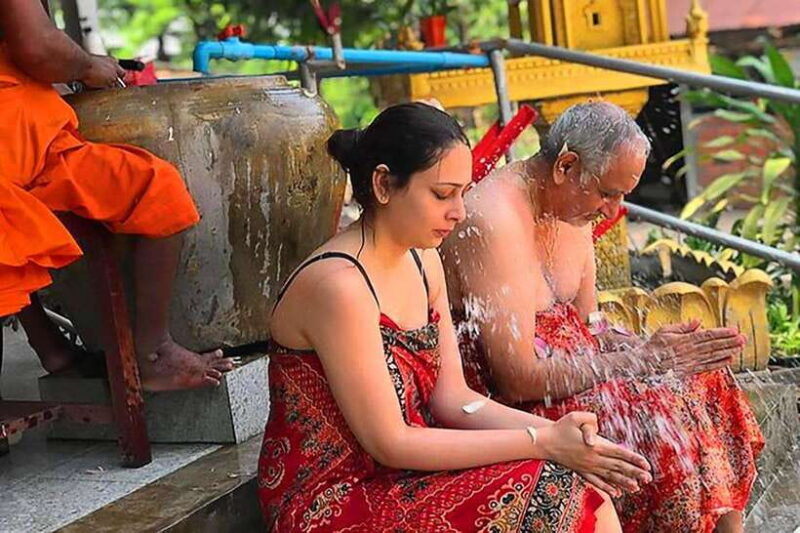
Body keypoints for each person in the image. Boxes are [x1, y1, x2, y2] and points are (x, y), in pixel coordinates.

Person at [257, 102, 655, 532]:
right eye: (443, 194)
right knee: (556, 492)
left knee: (581, 489)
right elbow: (392, 442)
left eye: (463, 193)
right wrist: (543, 442)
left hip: (398, 477)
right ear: (384, 184)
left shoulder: (424, 261)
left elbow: (452, 399)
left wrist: (559, 433)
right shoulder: (340, 286)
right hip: (335, 499)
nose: (460, 212)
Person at [441, 101, 763, 533]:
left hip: (575, 373)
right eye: (607, 194)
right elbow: (514, 379)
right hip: (515, 403)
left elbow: (589, 326)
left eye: (622, 196)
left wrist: (650, 348)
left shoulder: (573, 205)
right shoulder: (493, 217)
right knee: (662, 413)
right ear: (566, 166)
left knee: (705, 380)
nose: (612, 212)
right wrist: (639, 362)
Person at [0, 0, 233, 390]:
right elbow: (36, 47)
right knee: (155, 188)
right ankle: (152, 353)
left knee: (13, 231)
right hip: (12, 139)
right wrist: (90, 66)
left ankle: (52, 349)